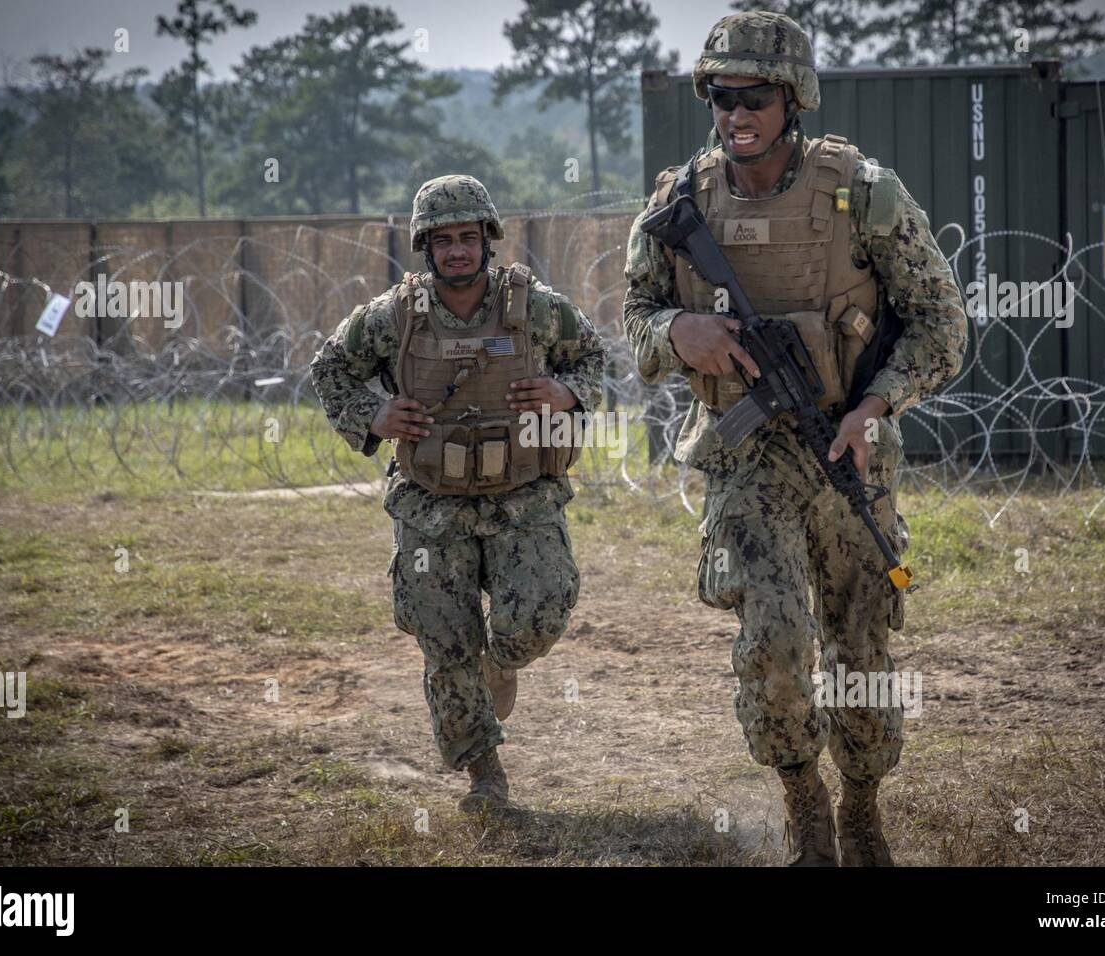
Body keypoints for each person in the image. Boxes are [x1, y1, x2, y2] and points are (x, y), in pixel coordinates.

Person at [622, 12, 968, 865]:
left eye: (756, 96)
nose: (736, 113)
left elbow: (942, 322)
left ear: (794, 100)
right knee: (775, 638)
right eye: (721, 95)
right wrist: (677, 336)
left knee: (861, 641)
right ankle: (802, 801)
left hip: (848, 446)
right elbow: (632, 320)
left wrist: (875, 406)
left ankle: (862, 807)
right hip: (747, 455)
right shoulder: (678, 204)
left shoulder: (861, 190)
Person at [310, 175, 606, 812]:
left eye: (467, 238)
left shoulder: (535, 308)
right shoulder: (395, 317)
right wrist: (374, 413)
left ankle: (501, 666)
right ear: (425, 247)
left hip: (524, 496)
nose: (456, 252)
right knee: (446, 643)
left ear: (487, 240)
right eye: (441, 241)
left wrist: (567, 393)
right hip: (431, 504)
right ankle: (485, 778)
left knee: (540, 614)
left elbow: (593, 356)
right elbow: (330, 368)